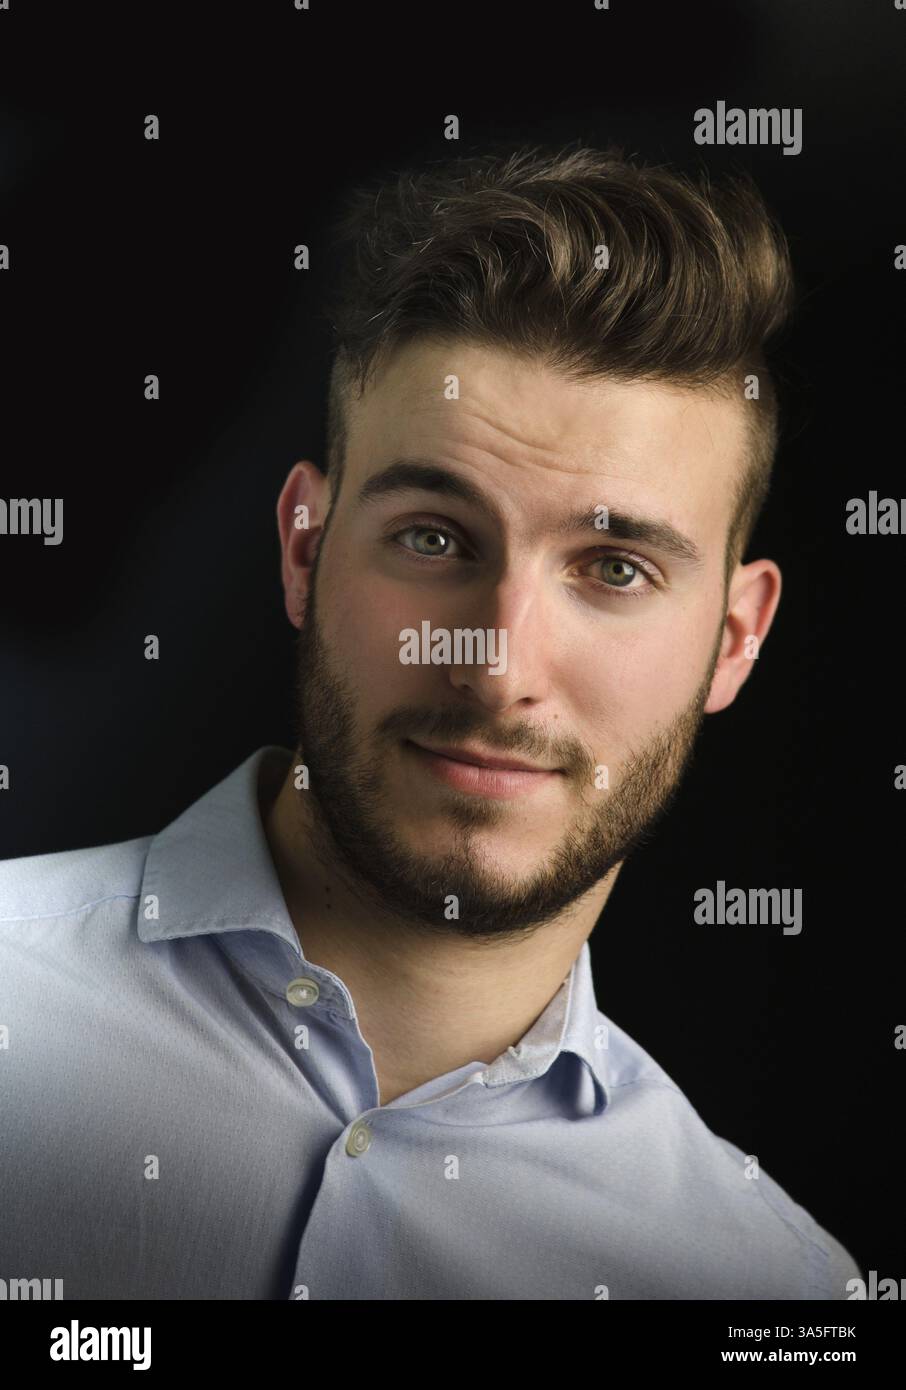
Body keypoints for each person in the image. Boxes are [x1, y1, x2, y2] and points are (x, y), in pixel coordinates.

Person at [0, 144, 861, 1299]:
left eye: (613, 568)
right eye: (435, 538)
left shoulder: (770, 1289)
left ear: (736, 638)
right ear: (304, 547)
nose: (496, 668)